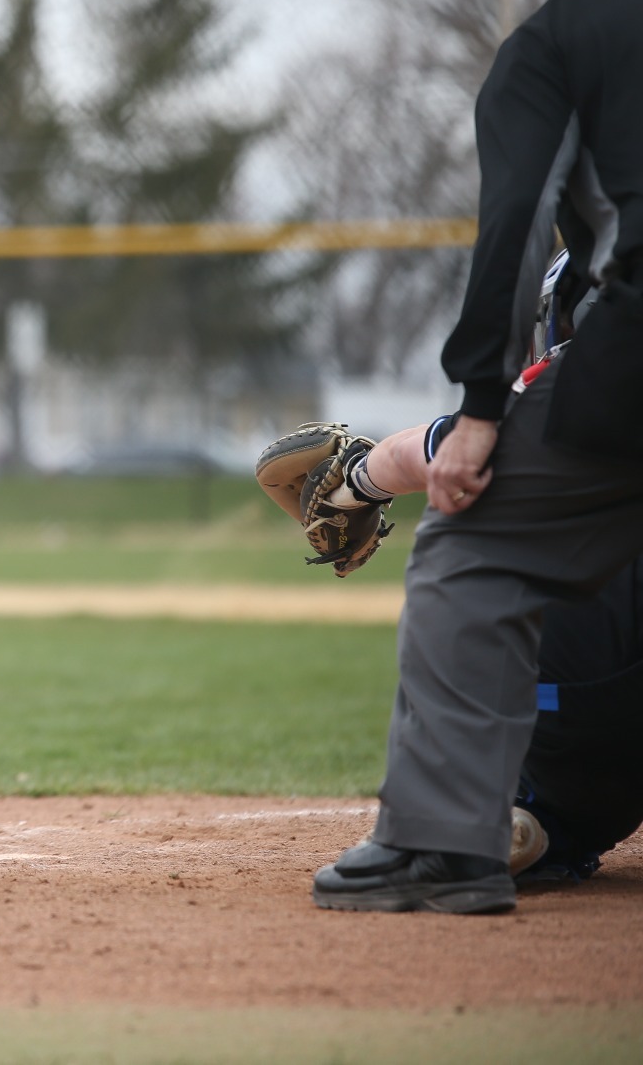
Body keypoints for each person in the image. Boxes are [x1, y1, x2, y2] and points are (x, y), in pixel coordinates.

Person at [305, 0, 643, 914]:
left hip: (598, 721)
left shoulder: (567, 35)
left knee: (475, 552)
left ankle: (440, 846)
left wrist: (472, 412)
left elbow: (513, 222)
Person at [263, 258, 643, 886]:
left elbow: (419, 455)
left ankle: (523, 818)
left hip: (584, 718)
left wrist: (356, 481)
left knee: (460, 561)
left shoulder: (567, 394)